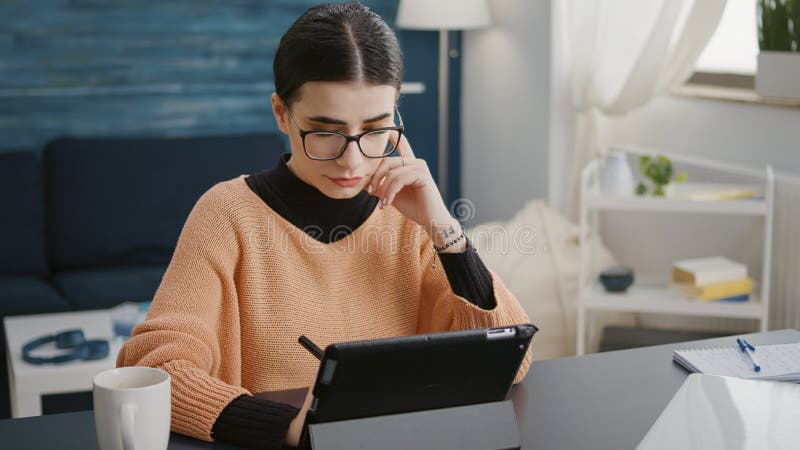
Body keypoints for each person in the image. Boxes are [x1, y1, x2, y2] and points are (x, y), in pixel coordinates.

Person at [117, 2, 532, 449]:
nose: (351, 161)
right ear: (281, 113)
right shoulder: (226, 214)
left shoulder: (409, 219)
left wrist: (445, 230)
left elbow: (510, 362)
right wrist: (287, 428)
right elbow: (153, 372)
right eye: (325, 132)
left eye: (375, 130)